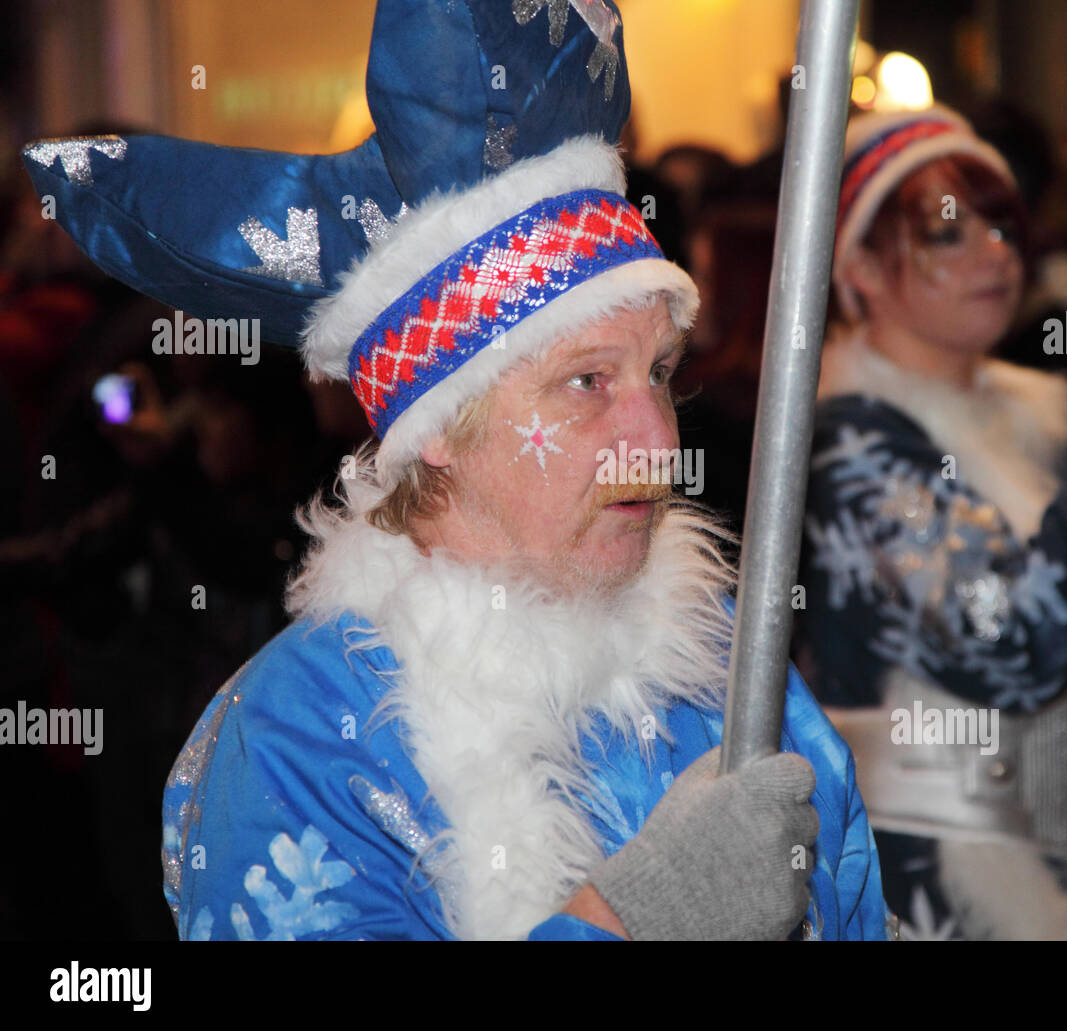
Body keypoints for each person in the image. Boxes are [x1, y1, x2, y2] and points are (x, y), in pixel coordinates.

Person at [23, 0, 888, 941]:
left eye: (661, 373)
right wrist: (634, 918)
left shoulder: (733, 667)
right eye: (587, 380)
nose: (658, 440)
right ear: (437, 425)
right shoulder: (295, 742)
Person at [796, 104, 1067, 939]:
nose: (995, 254)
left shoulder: (1027, 425)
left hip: (1064, 867)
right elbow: (1010, 643)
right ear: (860, 267)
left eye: (1005, 228)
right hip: (927, 883)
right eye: (948, 232)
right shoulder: (849, 442)